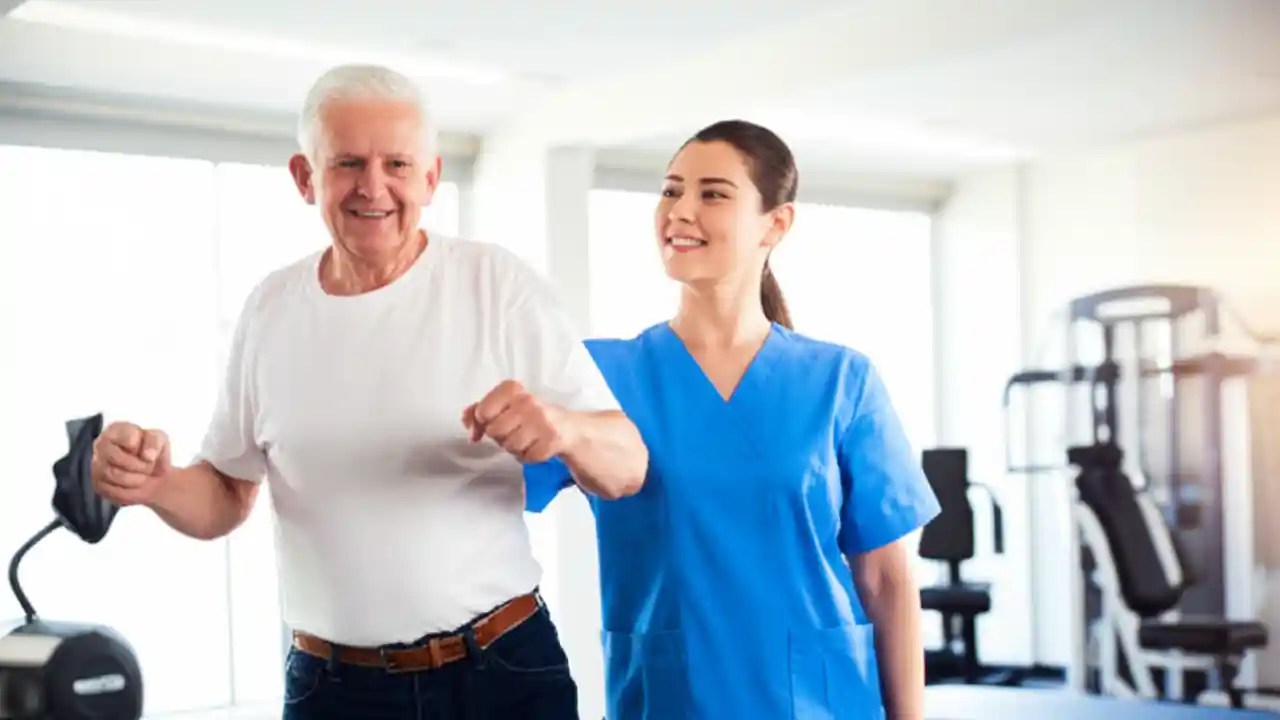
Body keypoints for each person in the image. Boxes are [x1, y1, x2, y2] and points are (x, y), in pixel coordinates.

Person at [89, 63, 647, 720]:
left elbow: (628, 467)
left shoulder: (497, 284)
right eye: (348, 163)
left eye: (398, 165)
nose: (373, 187)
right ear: (306, 178)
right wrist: (153, 485)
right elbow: (225, 493)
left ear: (432, 177)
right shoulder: (271, 309)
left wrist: (565, 429)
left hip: (499, 673)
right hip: (332, 689)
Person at [530, 120, 941, 719]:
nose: (681, 210)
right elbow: (479, 497)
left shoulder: (840, 381)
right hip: (671, 697)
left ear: (776, 224)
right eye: (671, 191)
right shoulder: (599, 375)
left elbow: (884, 579)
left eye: (713, 193)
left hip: (822, 701)